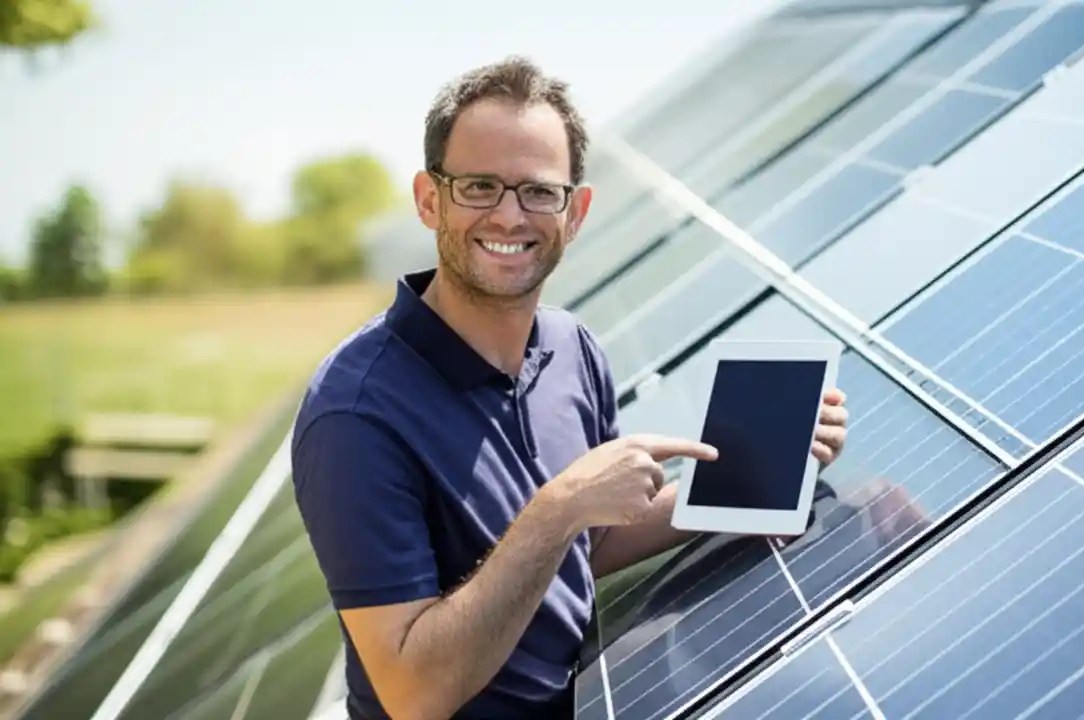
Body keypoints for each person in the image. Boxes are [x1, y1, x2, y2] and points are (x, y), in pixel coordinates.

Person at [290, 56, 848, 720]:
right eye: (479, 187)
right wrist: (557, 507)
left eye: (538, 191)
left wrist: (754, 473)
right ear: (429, 199)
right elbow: (414, 695)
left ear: (576, 212)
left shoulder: (570, 347)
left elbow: (589, 542)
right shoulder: (355, 413)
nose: (509, 216)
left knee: (865, 523)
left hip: (584, 696)